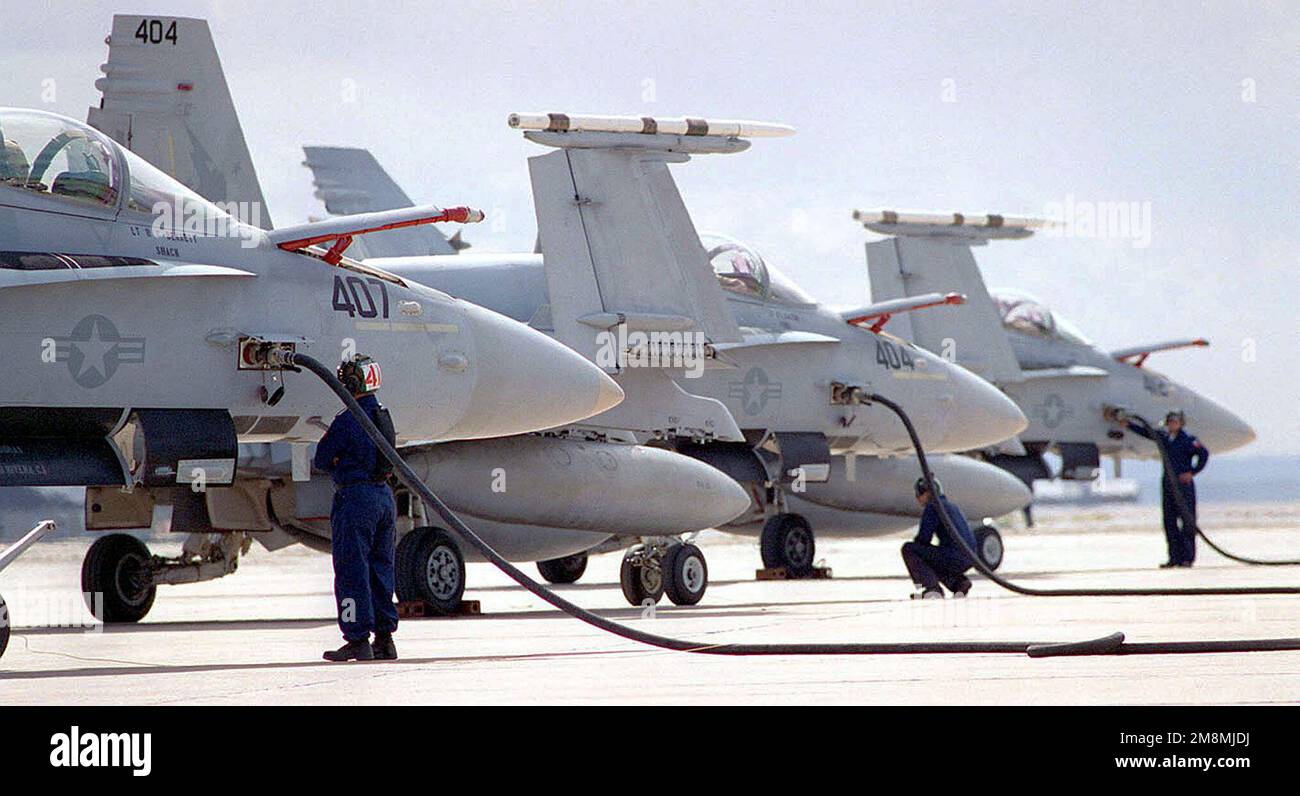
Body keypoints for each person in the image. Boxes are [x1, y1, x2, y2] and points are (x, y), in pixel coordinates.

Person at [314, 354, 400, 661]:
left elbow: (322, 458)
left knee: (352, 569)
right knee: (381, 568)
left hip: (355, 499)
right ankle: (385, 639)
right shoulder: (383, 416)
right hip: (384, 499)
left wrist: (340, 460)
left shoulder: (348, 419)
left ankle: (357, 638)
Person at [1120, 409, 1209, 568]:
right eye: (1169, 422)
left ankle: (1187, 558)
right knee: (1169, 522)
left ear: (1180, 423)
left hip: (1183, 485)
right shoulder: (1164, 438)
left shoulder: (1189, 440)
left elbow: (1203, 454)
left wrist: (1192, 472)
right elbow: (1147, 433)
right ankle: (1174, 557)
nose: (1171, 425)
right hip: (1168, 484)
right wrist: (1128, 425)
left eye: (1174, 422)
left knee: (1187, 522)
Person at [900, 477, 977, 599]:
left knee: (910, 549)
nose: (917, 498)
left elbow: (924, 538)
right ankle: (958, 583)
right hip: (969, 558)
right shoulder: (952, 506)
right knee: (933, 556)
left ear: (928, 493)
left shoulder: (933, 507)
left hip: (954, 557)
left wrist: (917, 545)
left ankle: (932, 589)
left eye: (919, 493)